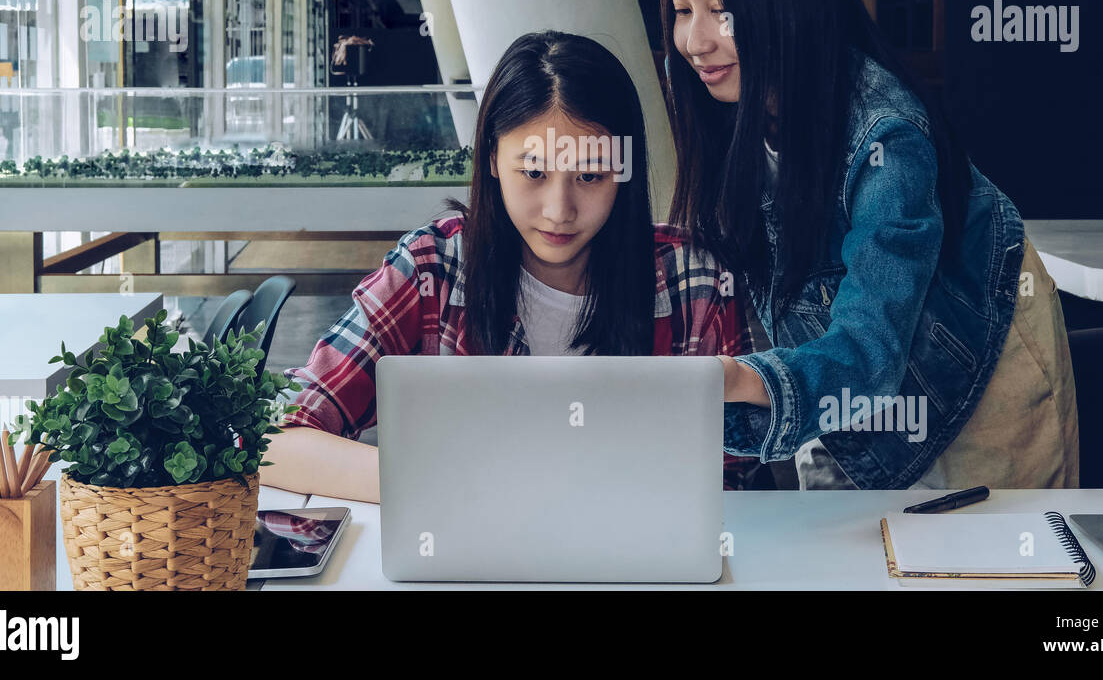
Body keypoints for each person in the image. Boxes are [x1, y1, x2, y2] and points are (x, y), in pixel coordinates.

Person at [663, 0, 1079, 490]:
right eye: (682, 9)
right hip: (851, 382)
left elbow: (869, 351)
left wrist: (740, 379)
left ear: (791, 2)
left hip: (978, 367)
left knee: (987, 548)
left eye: (720, 9)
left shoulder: (886, 139)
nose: (695, 41)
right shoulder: (731, 106)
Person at [261, 31, 759, 502]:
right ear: (492, 159)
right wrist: (443, 486)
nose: (559, 210)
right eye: (534, 172)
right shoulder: (432, 269)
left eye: (590, 176)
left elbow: (730, 480)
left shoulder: (694, 280)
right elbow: (274, 438)